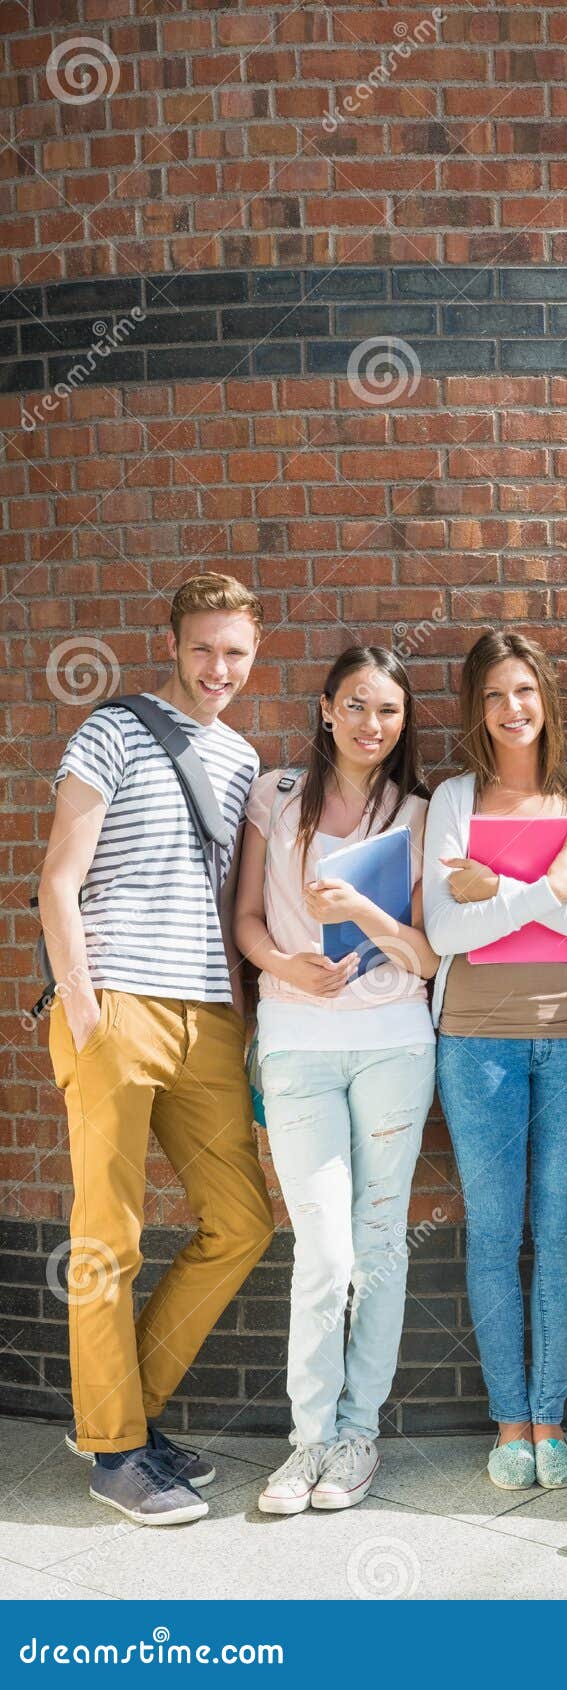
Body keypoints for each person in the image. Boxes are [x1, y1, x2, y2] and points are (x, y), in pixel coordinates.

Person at [38, 573, 274, 1526]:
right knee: (110, 1236)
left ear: (254, 656)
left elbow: (229, 902)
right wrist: (85, 1009)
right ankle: (116, 1451)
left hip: (207, 1013)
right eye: (204, 647)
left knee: (242, 1222)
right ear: (172, 643)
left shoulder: (244, 759)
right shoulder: (111, 731)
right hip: (116, 1005)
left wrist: (243, 1018)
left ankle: (121, 1412)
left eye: (236, 652)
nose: (219, 668)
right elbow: (60, 879)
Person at [422, 632, 567, 1491]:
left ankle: (552, 1419)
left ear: (545, 697)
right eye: (493, 695)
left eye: (524, 691)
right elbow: (444, 931)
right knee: (494, 1231)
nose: (511, 709)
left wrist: (499, 893)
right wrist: (548, 893)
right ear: (476, 708)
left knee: (561, 1230)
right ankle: (510, 1424)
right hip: (476, 1039)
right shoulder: (453, 799)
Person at [234, 645, 438, 1516]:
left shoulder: (419, 813)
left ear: (403, 721)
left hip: (395, 1043)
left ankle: (358, 1434)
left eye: (387, 710)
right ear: (325, 708)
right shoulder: (276, 795)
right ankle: (308, 1439)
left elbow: (427, 956)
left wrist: (361, 912)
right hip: (297, 1043)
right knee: (323, 1252)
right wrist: (284, 962)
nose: (370, 724)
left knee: (380, 1242)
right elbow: (245, 918)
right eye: (355, 705)